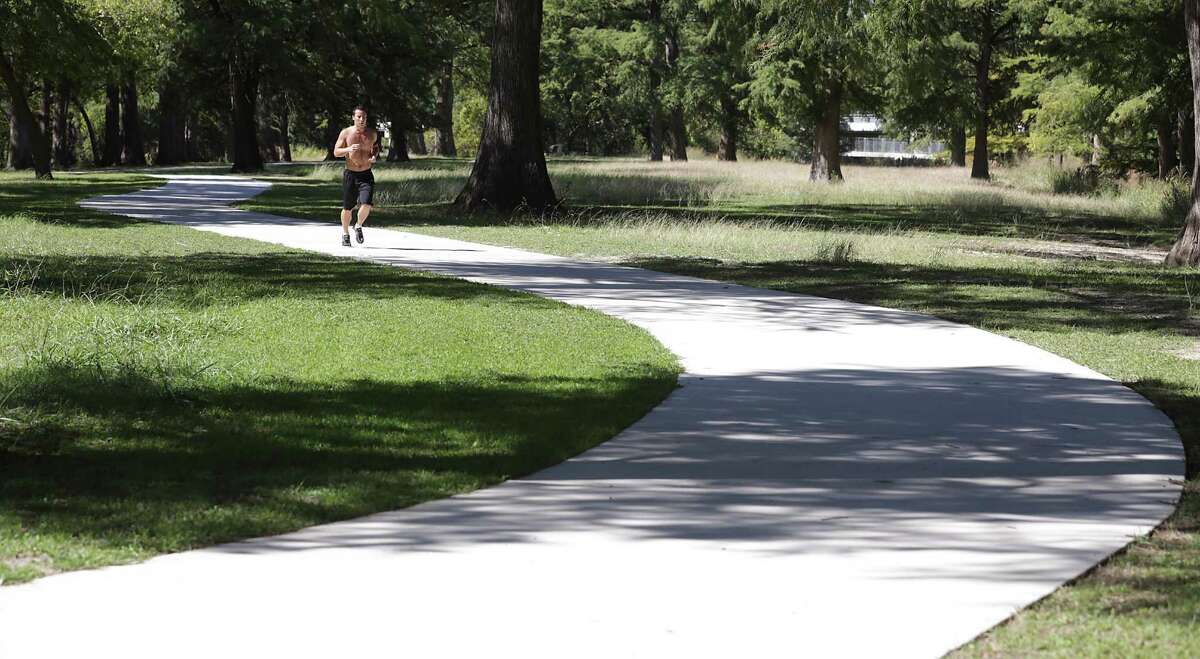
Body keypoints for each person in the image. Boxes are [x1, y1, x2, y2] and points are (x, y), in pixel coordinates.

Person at [332, 106, 379, 246]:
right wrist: (347, 149)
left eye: (364, 117)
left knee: (367, 203)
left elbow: (375, 148)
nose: (362, 119)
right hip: (351, 175)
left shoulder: (372, 133)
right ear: (353, 118)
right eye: (358, 116)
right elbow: (336, 152)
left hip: (366, 174)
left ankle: (358, 225)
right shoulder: (346, 133)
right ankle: (345, 234)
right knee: (348, 208)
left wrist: (374, 157)